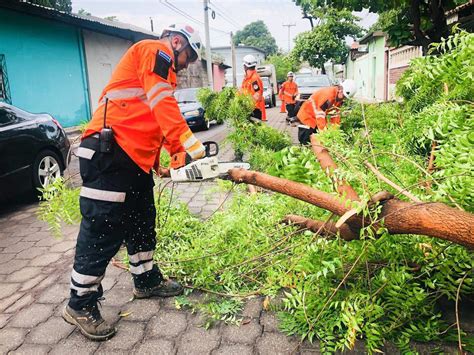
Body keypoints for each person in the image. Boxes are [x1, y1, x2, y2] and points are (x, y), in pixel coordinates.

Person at [62, 24, 206, 341]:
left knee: (142, 219)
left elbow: (154, 116)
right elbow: (162, 106)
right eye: (189, 57)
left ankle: (146, 279)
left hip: (133, 160)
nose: (187, 65)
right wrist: (192, 146)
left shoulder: (160, 72)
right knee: (103, 226)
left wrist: (172, 157)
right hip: (110, 152)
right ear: (178, 42)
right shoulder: (155, 51)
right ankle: (80, 303)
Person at [295, 79, 357, 144]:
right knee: (305, 139)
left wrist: (335, 131)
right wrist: (324, 133)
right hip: (307, 115)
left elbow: (335, 115)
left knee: (315, 140)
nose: (343, 99)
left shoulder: (338, 99)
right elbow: (320, 115)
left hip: (315, 118)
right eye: (344, 96)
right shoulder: (328, 95)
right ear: (340, 90)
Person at [241, 54, 266, 121]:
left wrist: (246, 104)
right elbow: (243, 92)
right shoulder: (247, 78)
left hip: (254, 110)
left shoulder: (254, 78)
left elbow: (257, 95)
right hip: (248, 109)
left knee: (253, 130)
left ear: (245, 66)